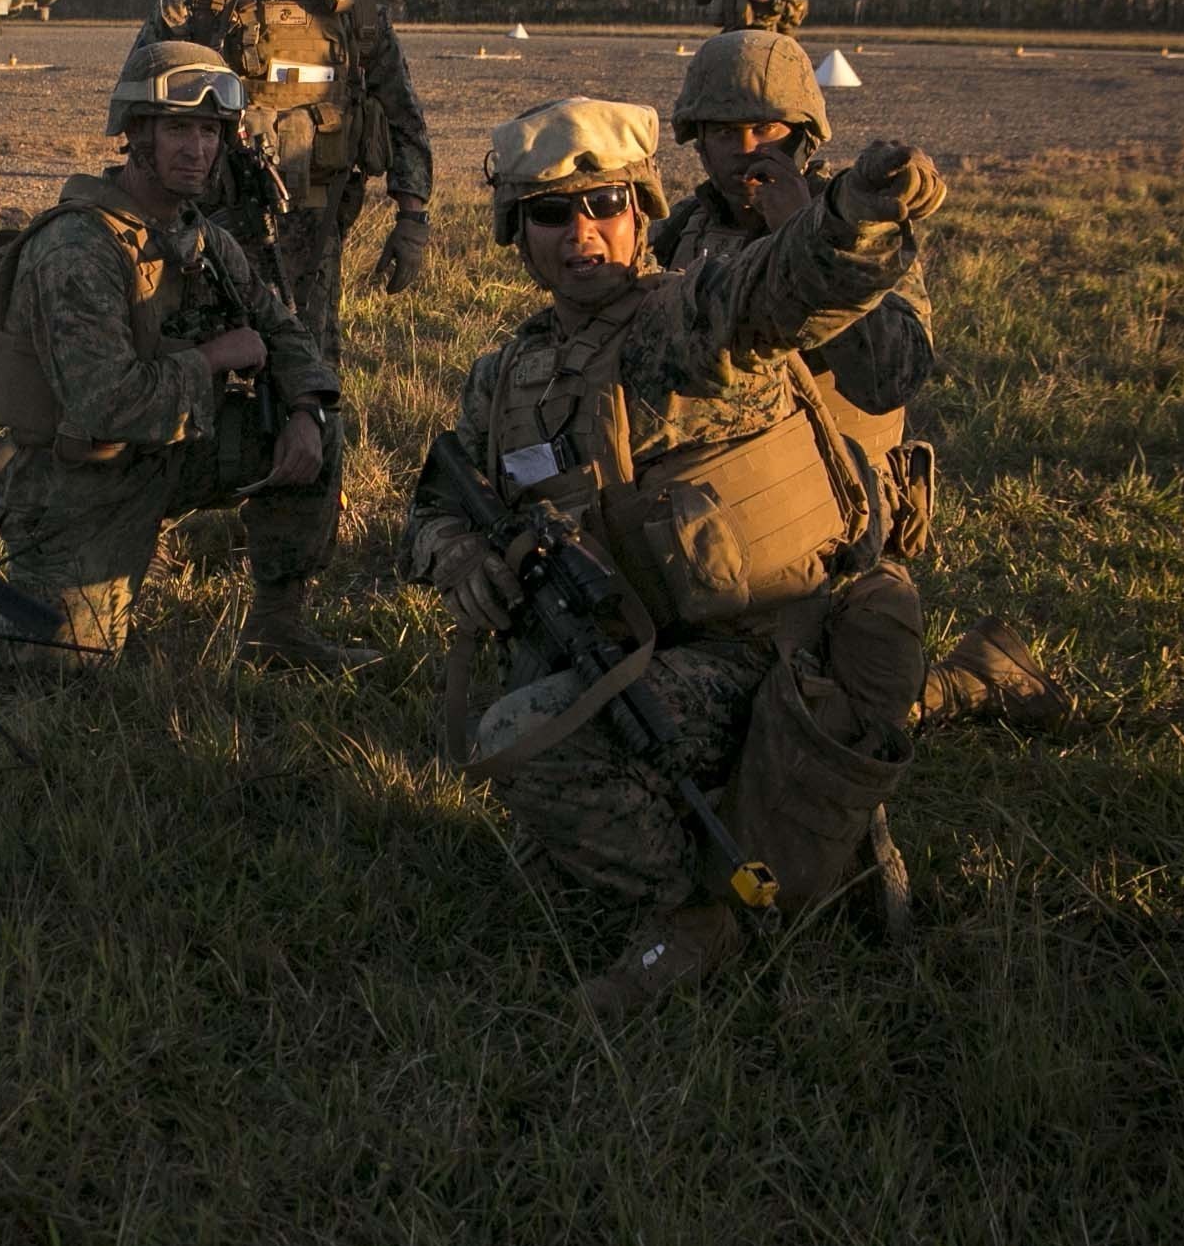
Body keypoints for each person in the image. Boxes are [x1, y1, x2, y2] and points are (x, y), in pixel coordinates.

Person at [403, 93, 946, 1012]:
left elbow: (785, 284)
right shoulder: (505, 377)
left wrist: (853, 215)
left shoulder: (686, 326)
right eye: (550, 214)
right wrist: (463, 562)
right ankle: (778, 818)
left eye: (606, 205)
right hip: (640, 644)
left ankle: (711, 902)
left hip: (767, 652)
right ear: (515, 231)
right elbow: (430, 508)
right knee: (544, 745)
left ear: (642, 212)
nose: (582, 233)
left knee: (527, 743)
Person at [651, 30, 1068, 729]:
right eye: (725, 131)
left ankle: (976, 680)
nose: (749, 148)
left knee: (836, 714)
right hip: (710, 515)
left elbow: (888, 377)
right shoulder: (683, 231)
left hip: (834, 520)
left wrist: (812, 246)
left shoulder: (861, 233)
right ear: (696, 138)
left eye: (768, 129)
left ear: (805, 137)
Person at [0, 41, 354, 669]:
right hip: (76, 484)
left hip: (166, 456)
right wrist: (214, 358)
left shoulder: (201, 237)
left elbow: (284, 332)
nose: (197, 149)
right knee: (70, 656)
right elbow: (103, 406)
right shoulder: (80, 249)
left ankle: (279, 631)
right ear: (135, 134)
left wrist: (306, 407)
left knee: (321, 430)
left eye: (208, 131)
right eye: (177, 129)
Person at [128, 0, 433, 666]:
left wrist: (413, 216)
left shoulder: (357, 15)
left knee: (309, 408)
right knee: (157, 398)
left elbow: (404, 119)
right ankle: (111, 574)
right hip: (194, 251)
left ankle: (281, 618)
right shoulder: (196, 4)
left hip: (310, 258)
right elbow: (133, 114)